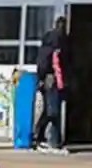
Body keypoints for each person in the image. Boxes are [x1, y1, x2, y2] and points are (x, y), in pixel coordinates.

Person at [30, 15, 69, 155]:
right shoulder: (57, 44)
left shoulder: (48, 44)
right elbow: (57, 65)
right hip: (52, 80)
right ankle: (52, 141)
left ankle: (39, 138)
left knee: (49, 111)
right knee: (53, 111)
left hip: (48, 80)